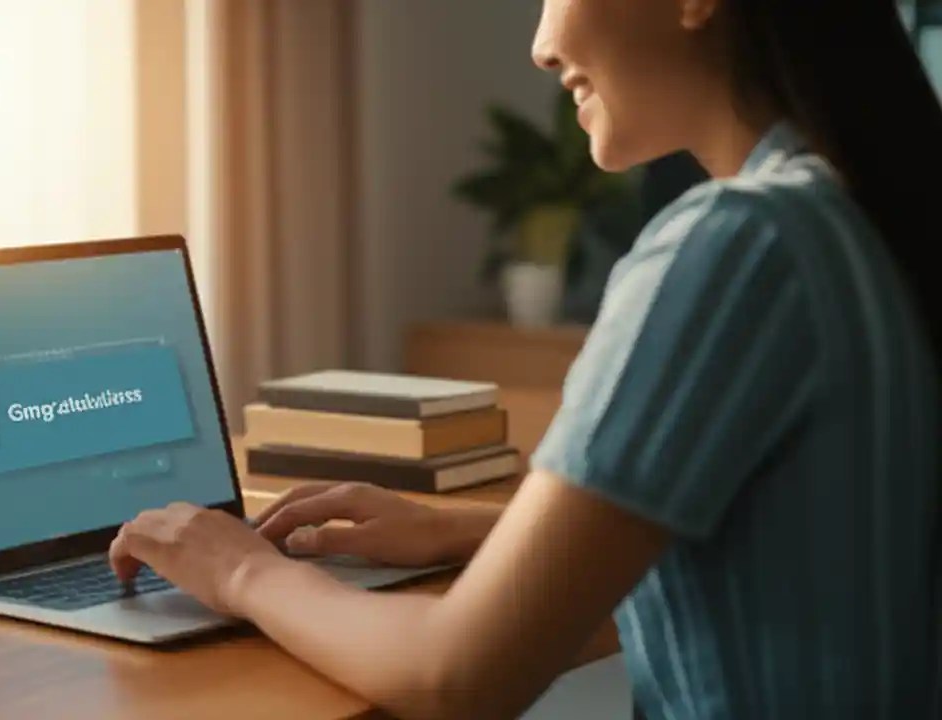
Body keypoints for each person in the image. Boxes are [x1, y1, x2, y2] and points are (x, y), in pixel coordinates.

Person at [109, 0, 942, 717]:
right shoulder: (853, 220)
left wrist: (242, 572)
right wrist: (471, 531)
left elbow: (456, 675)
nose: (543, 45)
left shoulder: (742, 245)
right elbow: (771, 557)